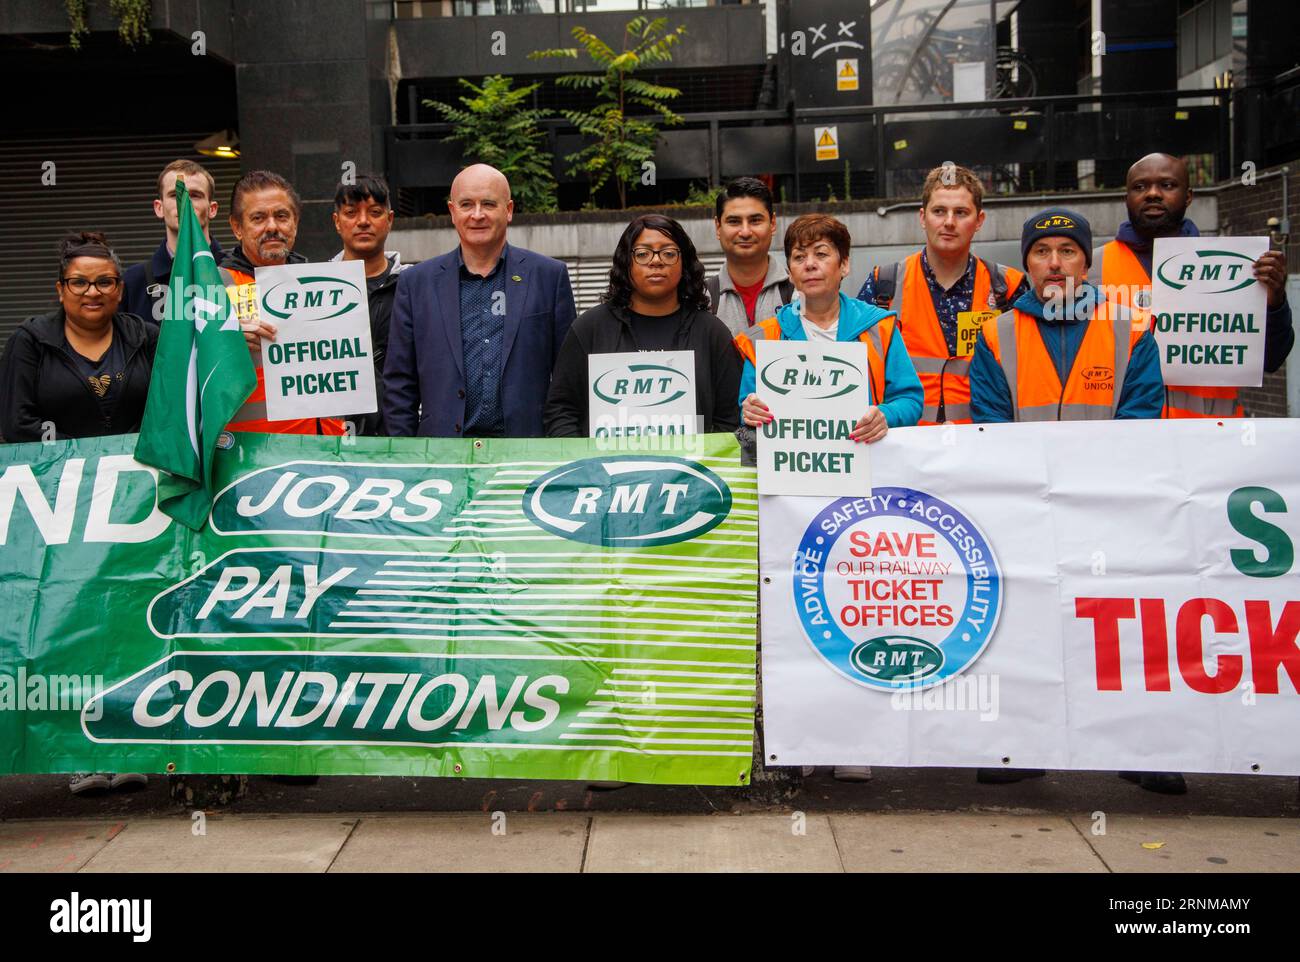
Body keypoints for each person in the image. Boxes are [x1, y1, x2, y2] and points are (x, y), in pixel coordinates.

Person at [738, 214, 923, 786]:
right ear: (788, 268)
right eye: (798, 256)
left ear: (845, 265)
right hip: (789, 502)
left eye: (822, 254)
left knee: (853, 612)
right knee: (794, 619)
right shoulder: (764, 336)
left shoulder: (881, 328)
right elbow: (745, 413)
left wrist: (883, 416)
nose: (810, 264)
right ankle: (797, 739)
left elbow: (912, 400)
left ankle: (853, 740)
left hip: (859, 499)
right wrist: (750, 414)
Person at [0, 230, 154, 796]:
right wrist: (84, 460)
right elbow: (16, 426)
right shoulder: (30, 342)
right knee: (69, 629)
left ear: (120, 287)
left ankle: (127, 744)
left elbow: (169, 406)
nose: (94, 292)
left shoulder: (146, 336)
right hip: (57, 509)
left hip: (136, 509)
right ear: (60, 289)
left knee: (127, 625)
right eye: (80, 282)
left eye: (106, 281)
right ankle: (77, 754)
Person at [1093, 152, 1293, 418]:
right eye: (1140, 187)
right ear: (1126, 198)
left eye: (1167, 185)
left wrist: (1275, 302)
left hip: (1209, 441)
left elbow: (1271, 359)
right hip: (1126, 440)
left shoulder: (1233, 268)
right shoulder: (1092, 268)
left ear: (1188, 196)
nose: (1152, 194)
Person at [384, 164, 576, 438]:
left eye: (488, 203)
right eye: (466, 205)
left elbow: (569, 380)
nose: (477, 215)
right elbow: (400, 385)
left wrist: (560, 450)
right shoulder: (416, 283)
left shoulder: (549, 277)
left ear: (508, 210)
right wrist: (408, 461)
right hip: (442, 457)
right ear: (452, 212)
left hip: (527, 454)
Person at [544, 213, 742, 437]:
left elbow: (730, 417)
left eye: (668, 253)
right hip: (604, 470)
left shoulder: (712, 332)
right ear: (625, 262)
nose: (656, 261)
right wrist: (587, 466)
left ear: (684, 263)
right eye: (643, 253)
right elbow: (561, 411)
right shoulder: (589, 329)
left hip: (690, 471)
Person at [857, 164, 1026, 425]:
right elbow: (856, 371)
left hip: (983, 444)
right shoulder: (884, 286)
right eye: (939, 211)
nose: (949, 222)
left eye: (961, 212)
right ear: (923, 217)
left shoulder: (1009, 288)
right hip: (904, 443)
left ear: (979, 220)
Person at [970, 208, 1164, 425]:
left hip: (1107, 459)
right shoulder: (994, 335)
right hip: (1025, 460)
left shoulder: (1132, 330)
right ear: (1028, 266)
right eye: (1042, 251)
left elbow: (1140, 420)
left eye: (1067, 251)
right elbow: (991, 423)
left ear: (1086, 266)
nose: (1054, 263)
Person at [220, 170, 343, 435]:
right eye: (258, 218)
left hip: (325, 449)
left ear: (295, 223)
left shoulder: (324, 284)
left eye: (282, 216)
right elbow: (179, 370)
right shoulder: (213, 287)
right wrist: (222, 343)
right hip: (249, 457)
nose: (272, 226)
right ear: (237, 227)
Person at [331, 174, 410, 436]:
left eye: (375, 212)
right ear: (337, 222)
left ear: (389, 220)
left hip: (404, 436)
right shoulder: (313, 292)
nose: (363, 221)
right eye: (351, 212)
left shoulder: (415, 286)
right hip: (334, 438)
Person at [121, 160, 224, 324]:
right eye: (175, 195)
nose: (185, 203)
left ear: (212, 209)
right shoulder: (134, 282)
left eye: (195, 195)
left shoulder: (236, 272)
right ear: (158, 208)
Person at [708, 176, 793, 334]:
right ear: (718, 227)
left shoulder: (799, 293)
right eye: (734, 221)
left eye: (755, 220)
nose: (745, 232)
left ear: (773, 223)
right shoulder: (703, 300)